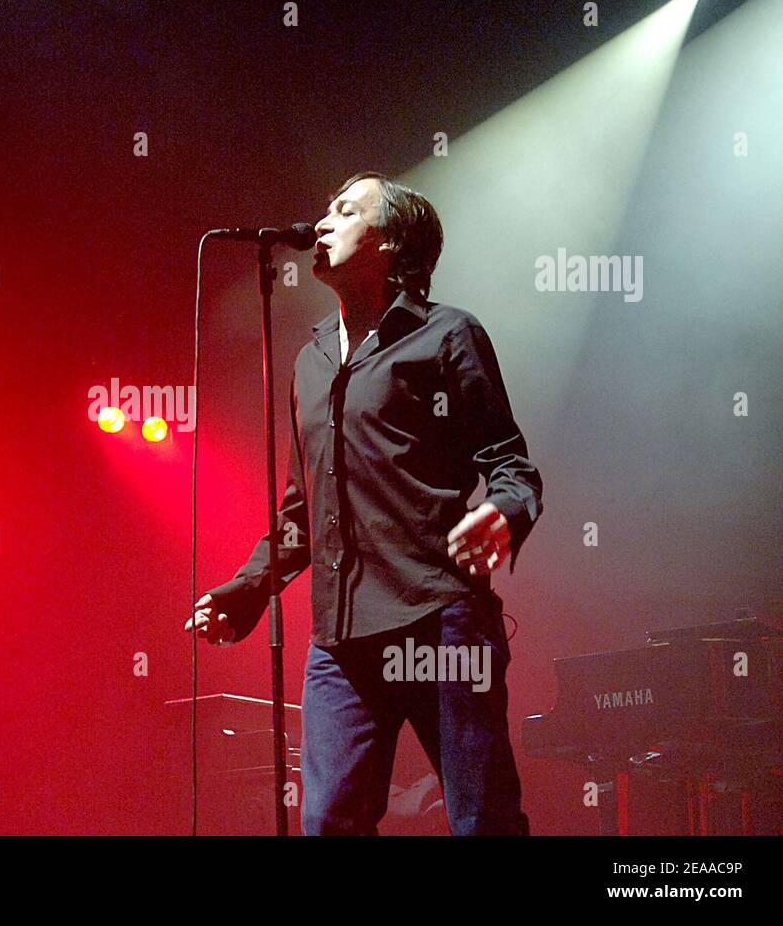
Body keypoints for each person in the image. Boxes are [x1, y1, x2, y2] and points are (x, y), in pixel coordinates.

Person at [186, 171, 542, 835]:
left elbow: (510, 464)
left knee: (482, 818)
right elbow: (303, 508)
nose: (322, 223)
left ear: (391, 242)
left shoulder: (446, 337)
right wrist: (248, 590)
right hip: (342, 637)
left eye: (346, 211)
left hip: (440, 619)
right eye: (326, 209)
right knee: (327, 823)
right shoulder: (311, 360)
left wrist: (505, 512)